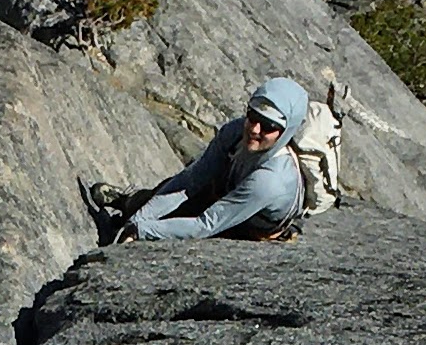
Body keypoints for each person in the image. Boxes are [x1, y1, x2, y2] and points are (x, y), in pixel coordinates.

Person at [85, 77, 310, 243]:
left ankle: (131, 212)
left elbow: (206, 225)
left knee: (175, 229)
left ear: (286, 131)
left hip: (246, 227)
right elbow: (191, 181)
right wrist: (138, 217)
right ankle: (130, 202)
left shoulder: (270, 181)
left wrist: (139, 231)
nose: (255, 129)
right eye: (252, 116)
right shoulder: (234, 133)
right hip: (225, 192)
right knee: (165, 193)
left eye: (269, 126)